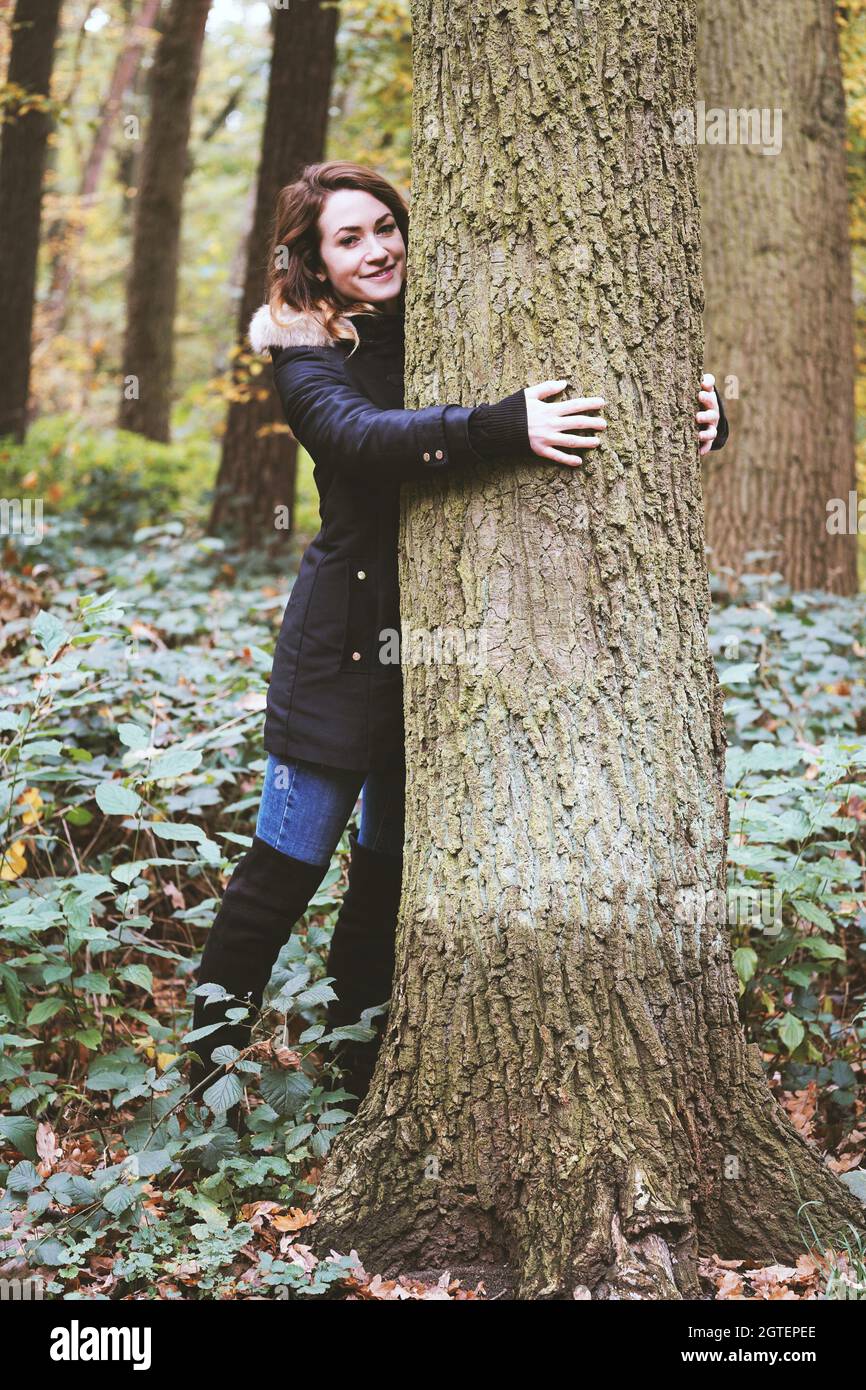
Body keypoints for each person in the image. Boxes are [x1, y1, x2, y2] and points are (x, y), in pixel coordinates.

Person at [187, 160, 728, 1125]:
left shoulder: (462, 311)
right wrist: (502, 425)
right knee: (283, 870)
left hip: (446, 659)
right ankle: (203, 1081)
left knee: (387, 878)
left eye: (384, 225)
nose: (376, 248)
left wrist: (698, 420)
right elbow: (358, 438)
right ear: (312, 260)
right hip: (342, 651)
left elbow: (601, 399)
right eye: (346, 238)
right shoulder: (307, 353)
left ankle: (355, 1086)